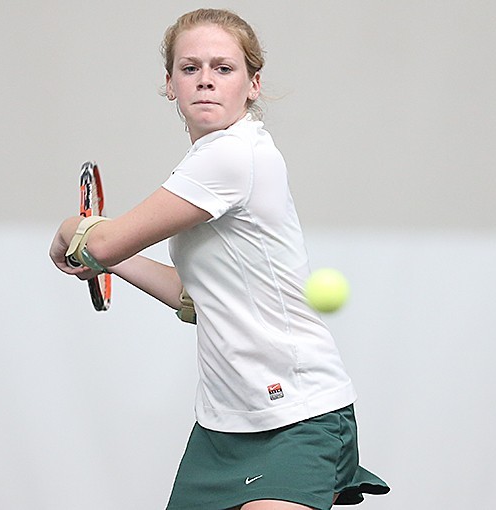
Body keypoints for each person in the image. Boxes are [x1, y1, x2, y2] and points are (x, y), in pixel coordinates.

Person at [49, 8, 389, 510]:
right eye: (190, 68)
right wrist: (112, 263)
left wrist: (71, 232)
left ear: (253, 84)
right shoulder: (211, 160)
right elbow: (192, 297)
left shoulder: (230, 155)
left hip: (298, 415)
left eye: (223, 68)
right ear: (170, 84)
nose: (205, 80)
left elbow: (100, 243)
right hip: (223, 425)